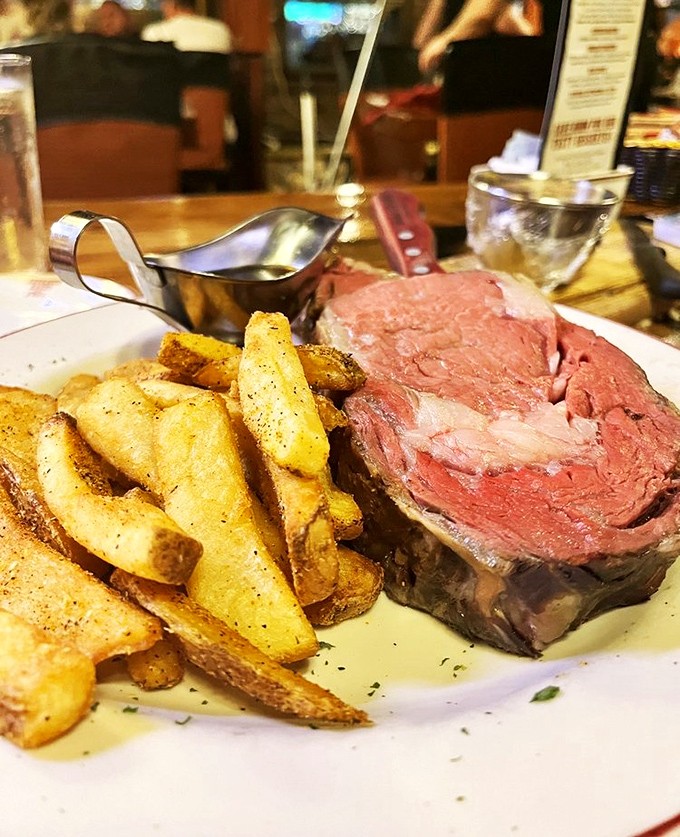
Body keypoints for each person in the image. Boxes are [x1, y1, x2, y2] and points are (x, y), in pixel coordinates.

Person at [414, 0, 537, 75]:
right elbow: (420, 44)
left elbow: (485, 15)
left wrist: (446, 39)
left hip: (493, 80)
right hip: (456, 78)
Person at [141, 0, 232, 54]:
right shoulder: (220, 29)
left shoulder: (155, 32)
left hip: (169, 85)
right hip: (213, 86)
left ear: (172, 4)